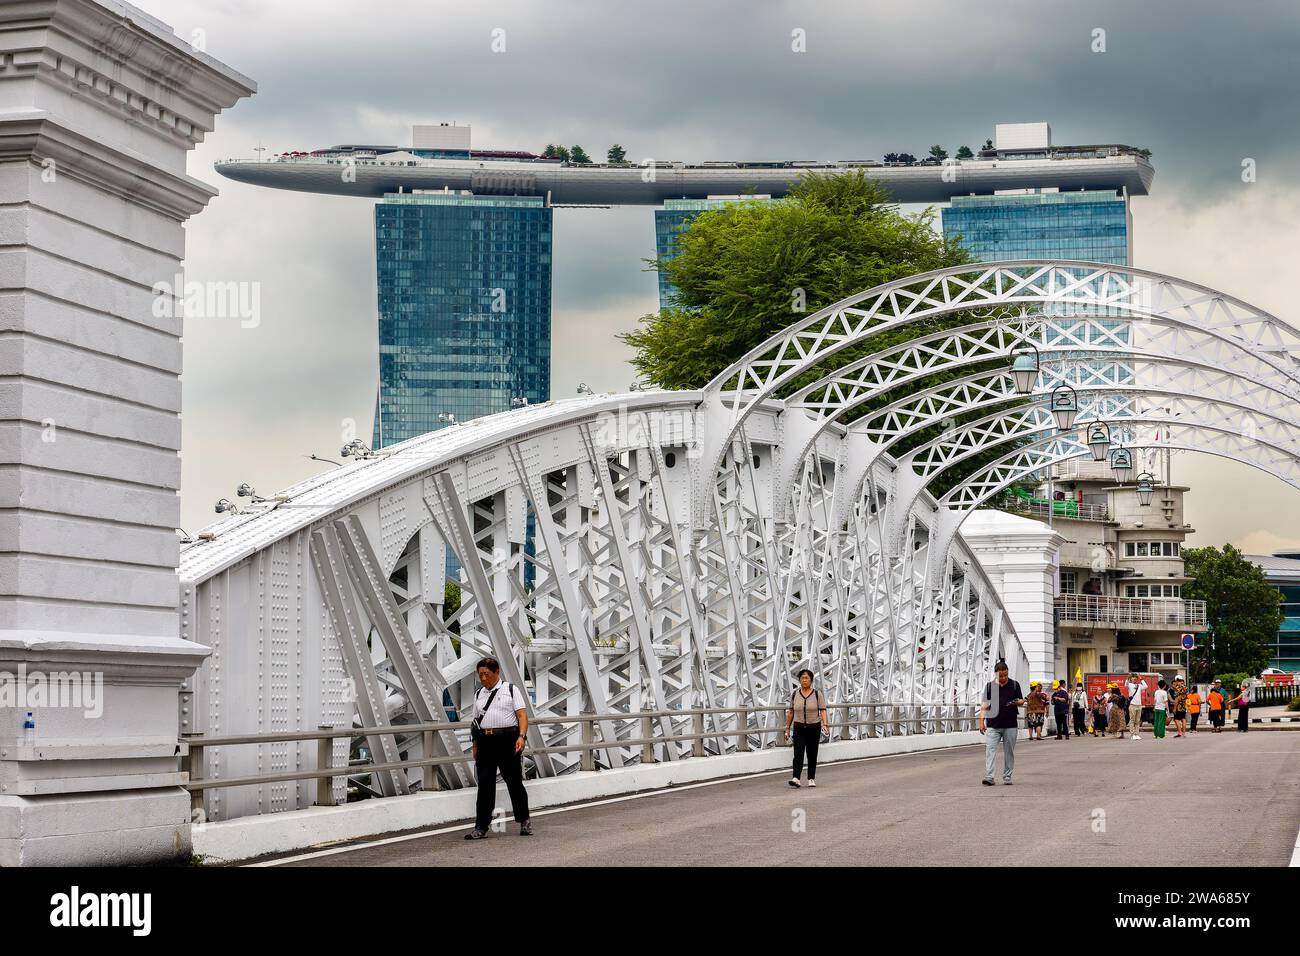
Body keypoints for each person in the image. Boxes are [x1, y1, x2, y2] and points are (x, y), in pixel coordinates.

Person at [464, 657, 532, 840]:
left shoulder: (510, 689)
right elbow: (475, 722)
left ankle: (524, 819)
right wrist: (475, 745)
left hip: (507, 739)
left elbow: (522, 715)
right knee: (485, 785)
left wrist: (521, 736)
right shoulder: (479, 694)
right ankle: (481, 826)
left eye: (486, 674)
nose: (484, 678)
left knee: (514, 782)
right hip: (485, 740)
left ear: (497, 672)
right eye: (480, 675)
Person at [980, 660, 1024, 786]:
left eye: (1005, 675)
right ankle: (989, 777)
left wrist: (1017, 702)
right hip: (993, 724)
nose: (1004, 678)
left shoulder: (1014, 685)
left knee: (1009, 752)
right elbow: (984, 706)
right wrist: (981, 722)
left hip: (1010, 724)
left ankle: (1007, 776)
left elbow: (1021, 700)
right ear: (996, 674)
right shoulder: (990, 686)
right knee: (990, 751)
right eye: (1001, 675)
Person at [785, 669, 828, 788]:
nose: (804, 680)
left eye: (807, 678)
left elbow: (823, 710)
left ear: (811, 680)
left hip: (814, 728)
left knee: (812, 753)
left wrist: (825, 724)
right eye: (802, 678)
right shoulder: (795, 694)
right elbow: (791, 712)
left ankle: (811, 778)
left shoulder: (816, 694)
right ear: (799, 680)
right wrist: (787, 728)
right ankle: (796, 778)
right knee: (798, 753)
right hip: (799, 728)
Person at [1125, 672, 1149, 740]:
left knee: (1137, 721)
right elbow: (1125, 685)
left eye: (1136, 677)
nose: (1134, 678)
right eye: (1133, 677)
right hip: (1132, 705)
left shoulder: (1139, 685)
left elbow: (1146, 686)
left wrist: (1140, 678)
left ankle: (1137, 734)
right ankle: (1132, 734)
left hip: (1139, 705)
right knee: (1132, 720)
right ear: (1131, 679)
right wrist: (1128, 677)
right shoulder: (1129, 685)